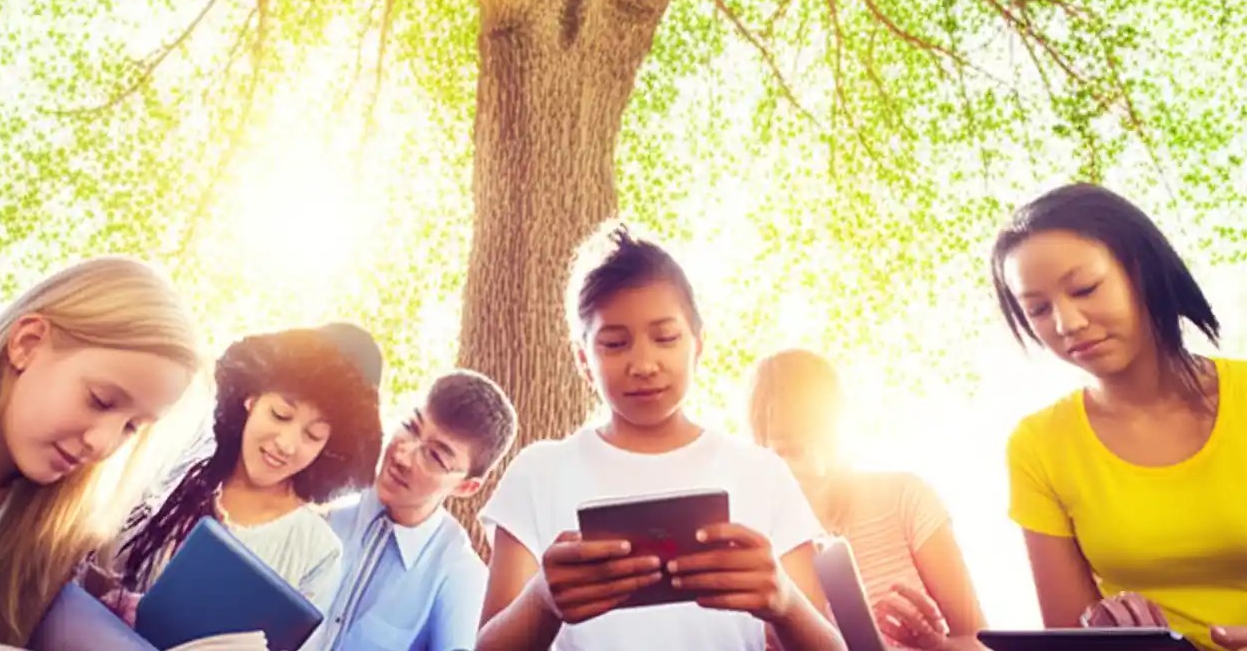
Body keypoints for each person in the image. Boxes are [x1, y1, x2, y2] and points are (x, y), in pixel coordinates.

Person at [475, 222, 844, 651]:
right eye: (615, 344)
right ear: (582, 358)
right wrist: (541, 600)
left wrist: (784, 600)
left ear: (698, 344)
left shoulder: (762, 473)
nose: (644, 364)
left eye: (665, 338)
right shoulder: (538, 474)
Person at [996, 183, 1247, 650]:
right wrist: (1102, 625)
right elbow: (1072, 637)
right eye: (1038, 309)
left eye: (1085, 289)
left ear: (1143, 271)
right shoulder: (1038, 445)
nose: (1067, 324)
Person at [0, 257, 200, 644]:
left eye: (130, 428)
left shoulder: (43, 543)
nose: (103, 445)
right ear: (27, 344)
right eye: (101, 401)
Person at [97, 323, 384, 620]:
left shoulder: (317, 552)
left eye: (313, 435)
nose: (286, 445)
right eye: (280, 415)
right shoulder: (179, 466)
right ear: (252, 397)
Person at [747, 348, 984, 649]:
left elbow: (982, 643)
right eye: (791, 451)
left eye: (826, 441)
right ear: (761, 451)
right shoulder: (756, 546)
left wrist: (937, 645)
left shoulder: (905, 499)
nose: (818, 468)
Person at [308, 369, 517, 650]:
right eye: (410, 426)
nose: (403, 455)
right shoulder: (324, 505)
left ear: (466, 487)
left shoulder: (458, 576)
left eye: (434, 456)